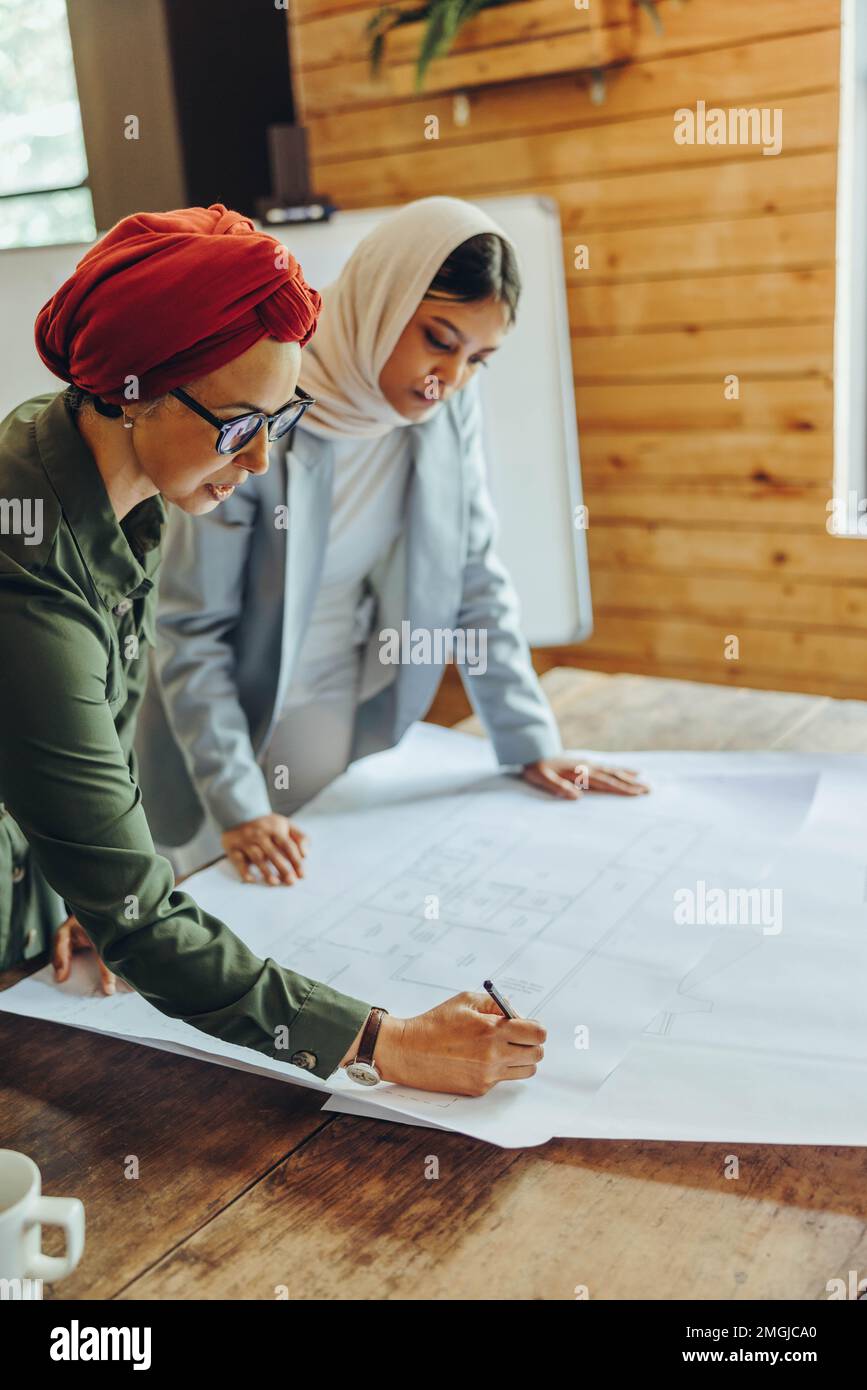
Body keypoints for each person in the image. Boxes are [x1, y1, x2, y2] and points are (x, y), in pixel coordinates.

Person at [0, 202, 544, 1098]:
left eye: (281, 419)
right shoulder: (25, 570)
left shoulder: (98, 462)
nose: (258, 463)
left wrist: (78, 892)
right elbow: (139, 917)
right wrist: (388, 1042)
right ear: (134, 386)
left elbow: (76, 752)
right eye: (234, 424)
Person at [138, 196, 647, 890]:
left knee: (308, 901)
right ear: (383, 299)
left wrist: (530, 743)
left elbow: (473, 578)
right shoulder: (263, 403)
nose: (453, 378)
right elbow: (192, 633)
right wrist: (239, 806)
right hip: (210, 726)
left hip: (333, 706)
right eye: (439, 339)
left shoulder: (444, 412)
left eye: (479, 358)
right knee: (196, 907)